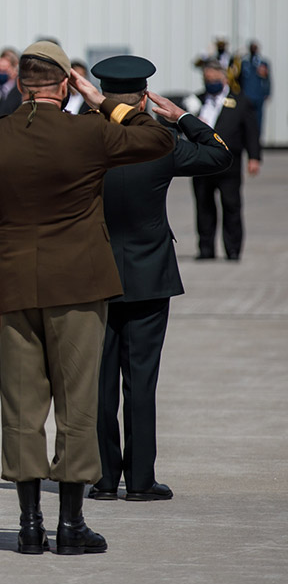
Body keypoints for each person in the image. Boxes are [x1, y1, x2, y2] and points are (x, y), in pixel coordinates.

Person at [0, 40, 174, 555]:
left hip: (13, 288)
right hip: (79, 286)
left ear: (19, 85)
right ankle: (71, 526)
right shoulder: (91, 131)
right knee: (78, 406)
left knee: (22, 407)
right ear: (63, 84)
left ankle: (29, 526)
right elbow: (155, 138)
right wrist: (99, 99)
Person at [87, 56, 233, 504]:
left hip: (94, 273)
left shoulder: (86, 141)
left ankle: (105, 478)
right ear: (144, 96)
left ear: (104, 95)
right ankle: (142, 480)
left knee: (99, 382)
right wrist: (183, 117)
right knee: (141, 381)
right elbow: (219, 156)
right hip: (150, 273)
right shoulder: (162, 141)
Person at [190, 60, 261, 261]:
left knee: (231, 205)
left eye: (213, 78)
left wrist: (254, 157)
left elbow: (251, 131)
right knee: (203, 206)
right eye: (206, 79)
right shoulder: (196, 100)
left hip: (229, 163)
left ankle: (233, 249)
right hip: (201, 163)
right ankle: (206, 249)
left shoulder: (240, 101)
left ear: (223, 78)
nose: (210, 82)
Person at [237, 41, 272, 138]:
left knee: (258, 119)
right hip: (247, 94)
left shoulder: (262, 63)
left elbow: (267, 79)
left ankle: (257, 138)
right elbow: (239, 79)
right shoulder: (244, 62)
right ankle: (246, 138)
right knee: (246, 118)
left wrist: (267, 92)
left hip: (258, 95)